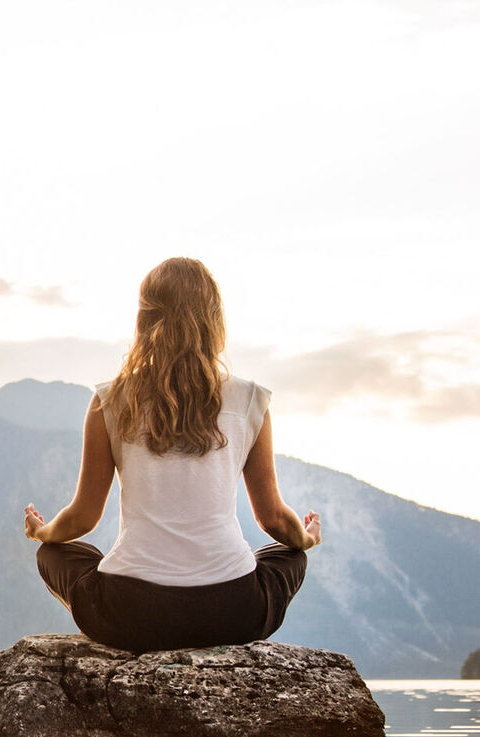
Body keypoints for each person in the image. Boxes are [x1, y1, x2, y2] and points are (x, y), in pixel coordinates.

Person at [22, 256, 320, 652]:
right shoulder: (250, 400)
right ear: (213, 320)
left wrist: (42, 533)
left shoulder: (110, 401)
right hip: (234, 611)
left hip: (130, 613)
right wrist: (306, 538)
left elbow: (83, 518)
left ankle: (115, 625)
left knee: (54, 554)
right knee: (289, 555)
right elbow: (274, 520)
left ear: (145, 319)